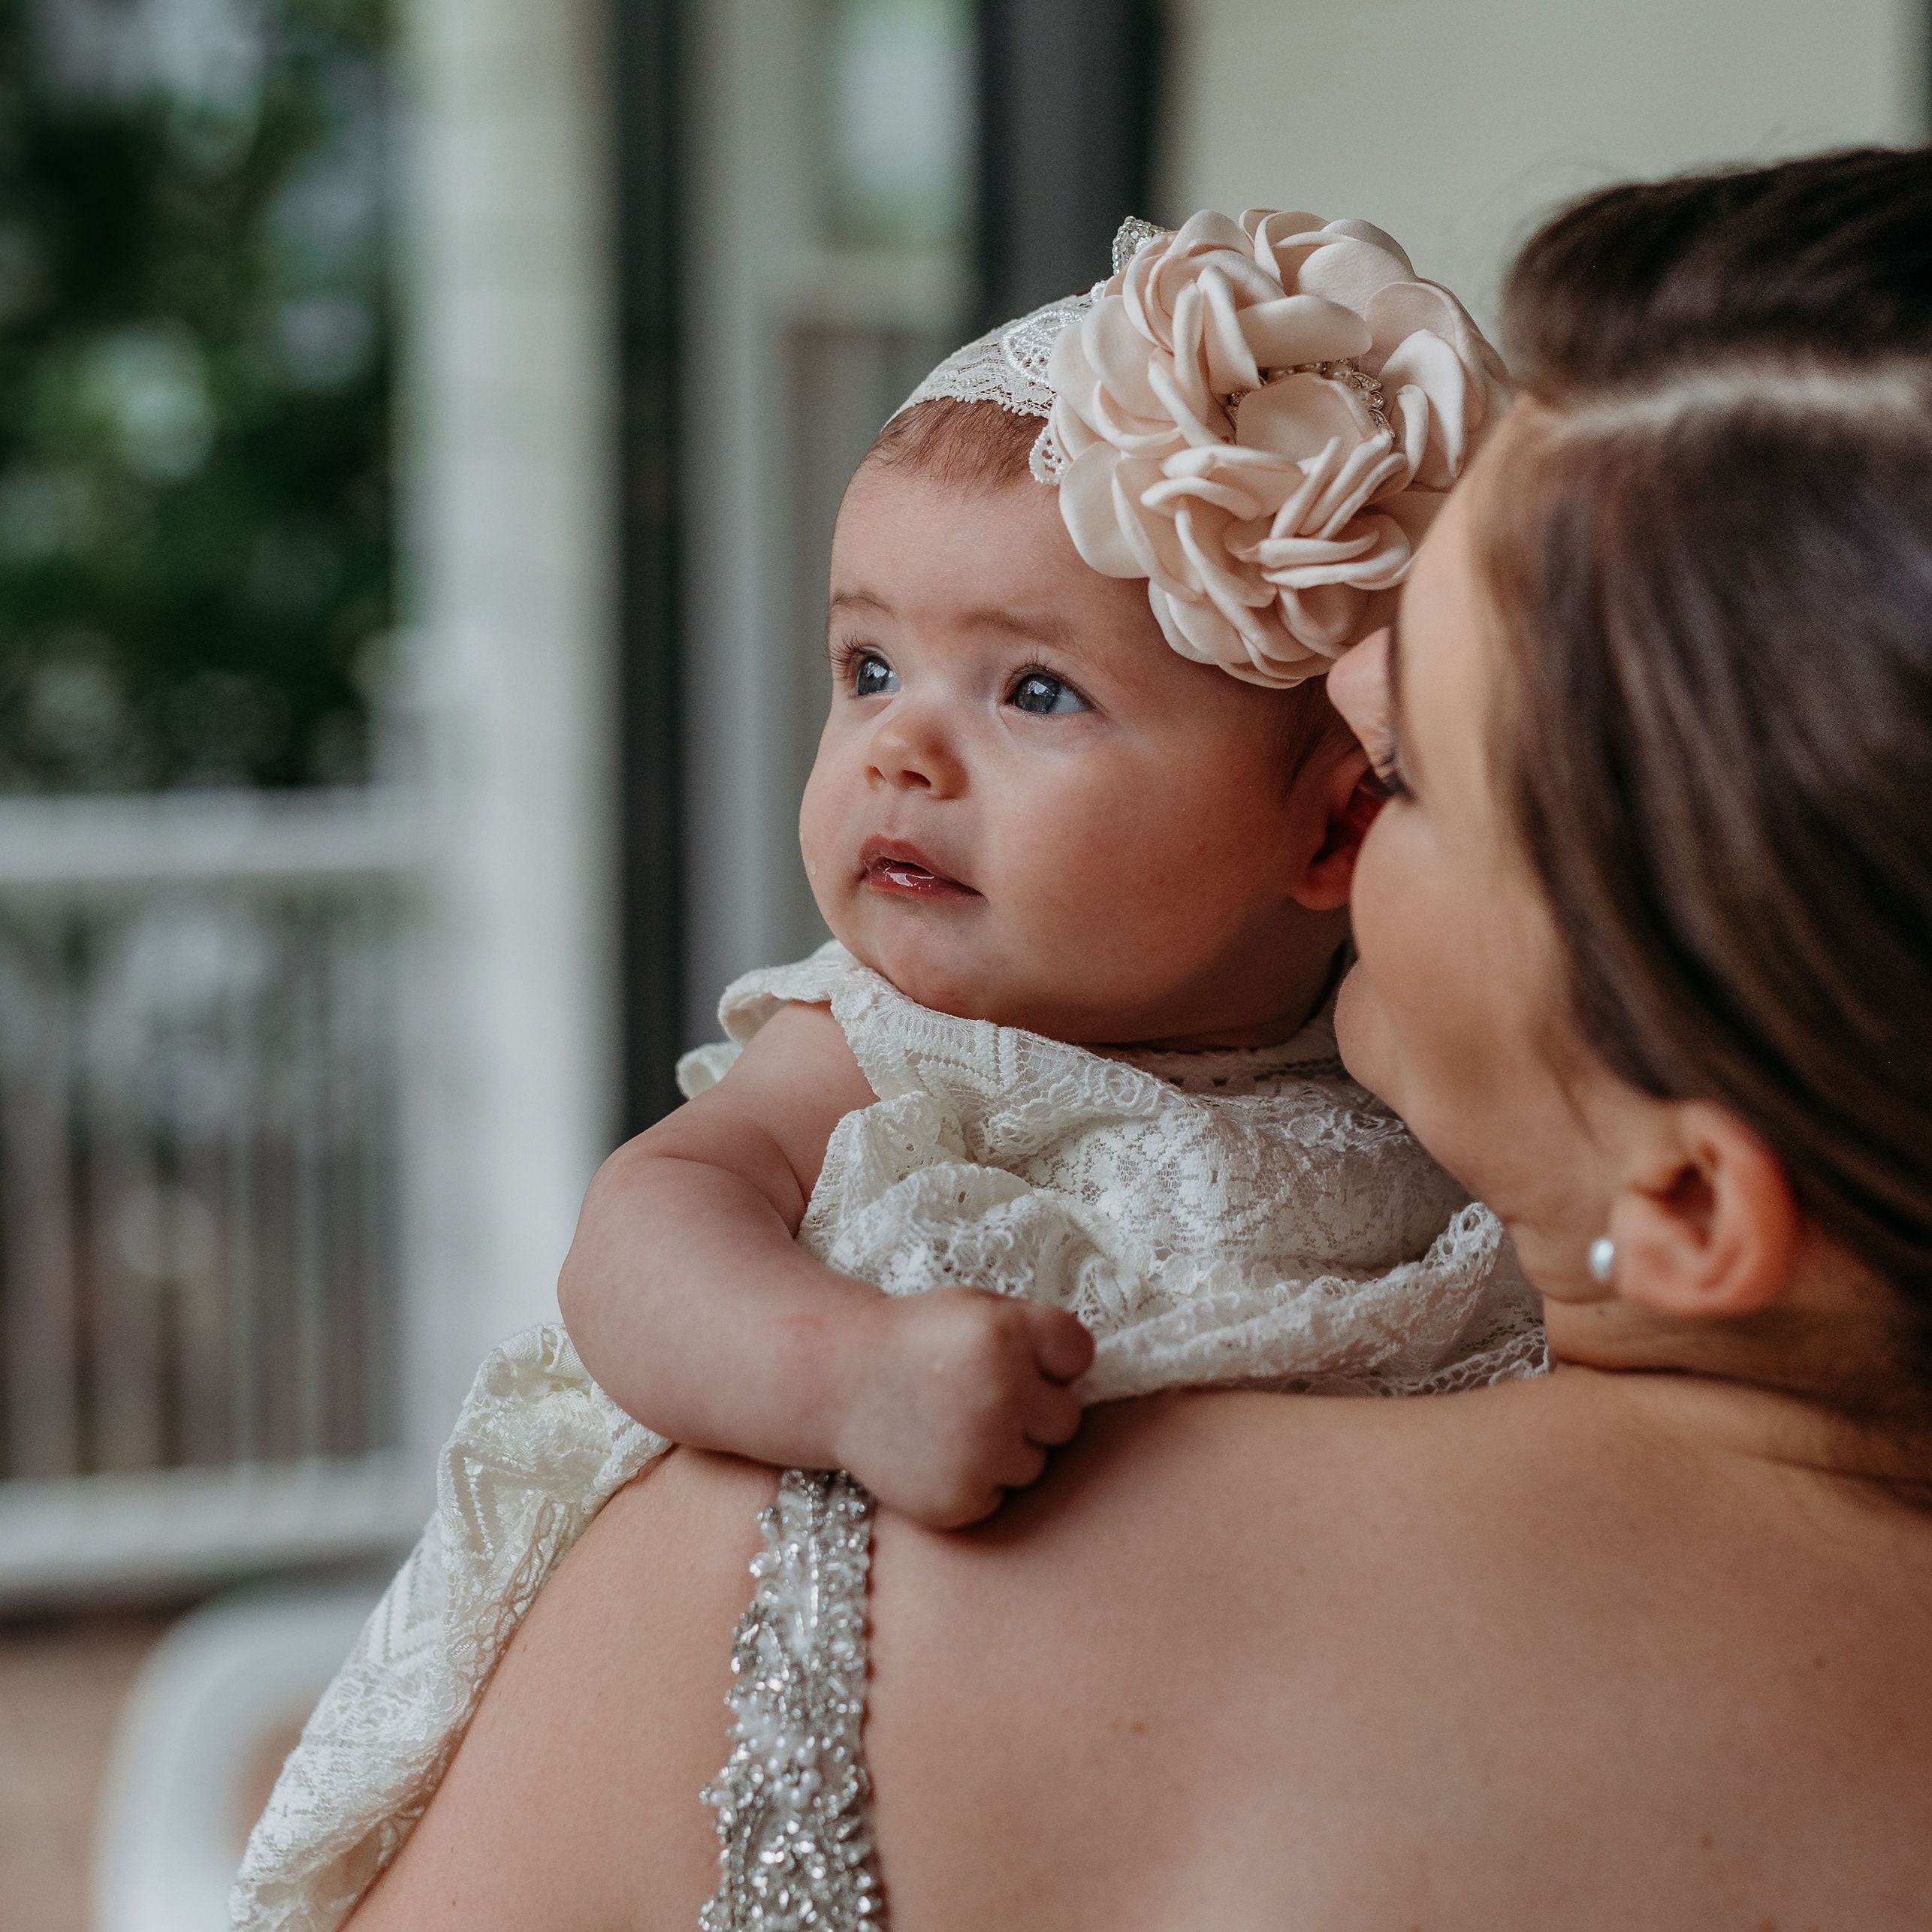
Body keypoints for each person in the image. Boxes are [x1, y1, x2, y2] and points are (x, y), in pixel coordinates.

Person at [274, 145, 1932, 1929]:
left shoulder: (811, 1593)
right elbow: (656, 1218)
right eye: (864, 671)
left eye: (1411, 769)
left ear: (1686, 1197)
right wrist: (843, 1362)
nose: (1338, 682)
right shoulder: (885, 1065)